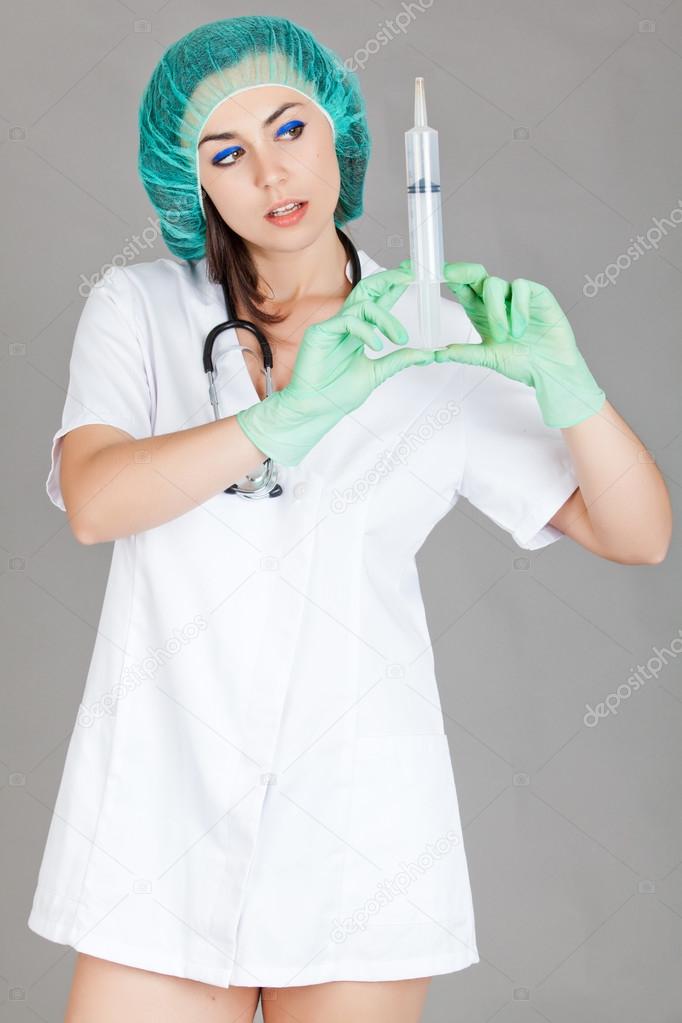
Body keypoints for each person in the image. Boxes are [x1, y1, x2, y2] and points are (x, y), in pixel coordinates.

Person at [27, 15, 671, 1023]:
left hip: (359, 828)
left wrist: (570, 385)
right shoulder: (139, 308)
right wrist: (282, 416)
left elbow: (637, 534)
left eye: (289, 129)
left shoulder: (433, 334)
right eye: (227, 153)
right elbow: (98, 501)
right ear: (190, 181)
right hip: (163, 817)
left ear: (340, 134)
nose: (270, 173)